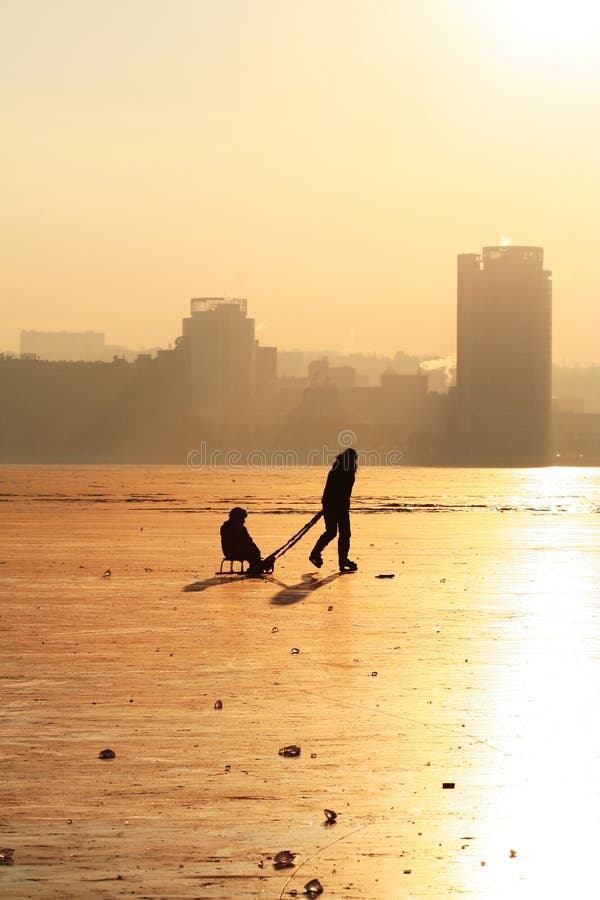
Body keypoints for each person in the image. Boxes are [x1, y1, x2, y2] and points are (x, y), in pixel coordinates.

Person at [309, 447, 358, 573]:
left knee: (332, 532)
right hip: (338, 506)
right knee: (344, 534)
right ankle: (342, 560)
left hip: (331, 505)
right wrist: (331, 505)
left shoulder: (336, 469)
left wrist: (326, 505)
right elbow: (342, 492)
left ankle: (317, 554)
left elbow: (330, 490)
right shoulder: (346, 472)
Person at [220, 507, 263, 576]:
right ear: (236, 519)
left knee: (255, 551)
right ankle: (257, 567)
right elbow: (231, 542)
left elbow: (249, 541)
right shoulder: (226, 527)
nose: (244, 521)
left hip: (242, 549)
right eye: (242, 519)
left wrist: (254, 548)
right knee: (250, 553)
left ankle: (257, 566)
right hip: (231, 551)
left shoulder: (242, 528)